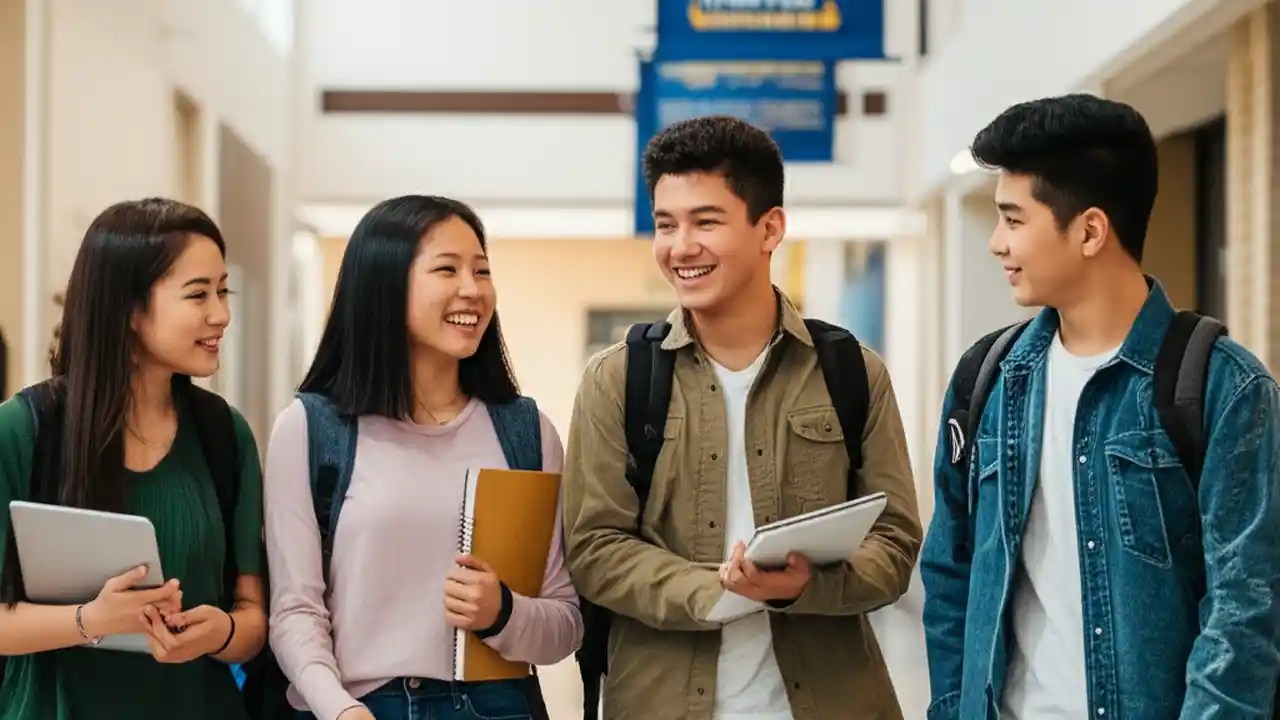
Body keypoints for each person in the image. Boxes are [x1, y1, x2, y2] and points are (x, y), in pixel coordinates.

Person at [920, 94, 1280, 720]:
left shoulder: (1226, 388)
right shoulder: (988, 380)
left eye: (1013, 219)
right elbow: (951, 576)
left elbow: (1246, 608)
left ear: (1089, 230)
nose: (996, 243)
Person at [562, 115, 922, 720]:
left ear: (769, 227)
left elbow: (895, 542)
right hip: (663, 703)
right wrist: (722, 591)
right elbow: (594, 547)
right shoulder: (617, 379)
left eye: (706, 221)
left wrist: (803, 586)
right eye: (666, 224)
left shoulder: (852, 373)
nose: (681, 247)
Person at [264, 195, 582, 720]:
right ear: (384, 286)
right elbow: (296, 610)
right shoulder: (312, 429)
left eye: (482, 270)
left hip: (495, 706)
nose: (472, 289)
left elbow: (565, 622)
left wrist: (503, 612)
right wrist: (337, 707)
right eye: (446, 269)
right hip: (357, 706)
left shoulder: (526, 432)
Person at [0, 198, 268, 719]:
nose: (222, 314)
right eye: (198, 294)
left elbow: (253, 619)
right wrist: (90, 620)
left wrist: (223, 632)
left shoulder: (224, 433)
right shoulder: (22, 429)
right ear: (128, 310)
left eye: (222, 290)